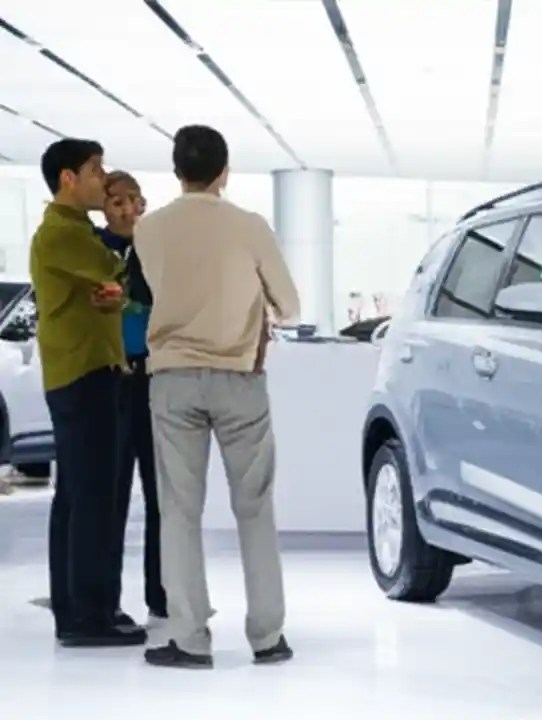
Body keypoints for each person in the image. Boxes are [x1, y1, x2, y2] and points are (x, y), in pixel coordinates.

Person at [134, 125, 301, 668]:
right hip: (239, 377)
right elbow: (290, 305)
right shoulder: (249, 226)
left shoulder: (149, 229)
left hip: (172, 378)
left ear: (177, 171)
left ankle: (188, 638)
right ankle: (268, 636)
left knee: (179, 510)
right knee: (255, 507)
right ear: (224, 172)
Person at [30, 138, 145, 647]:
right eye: (96, 170)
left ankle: (87, 607)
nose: (104, 179)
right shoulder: (62, 233)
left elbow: (111, 293)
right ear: (68, 179)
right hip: (83, 374)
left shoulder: (76, 231)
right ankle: (86, 616)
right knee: (91, 497)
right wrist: (122, 252)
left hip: (94, 369)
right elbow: (114, 271)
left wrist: (112, 294)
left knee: (84, 495)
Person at [98, 170, 167, 622]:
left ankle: (163, 593)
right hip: (111, 380)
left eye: (133, 200)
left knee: (161, 492)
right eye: (116, 201)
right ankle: (106, 599)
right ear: (103, 207)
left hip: (154, 378)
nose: (126, 209)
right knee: (113, 492)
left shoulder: (157, 248)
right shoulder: (93, 249)